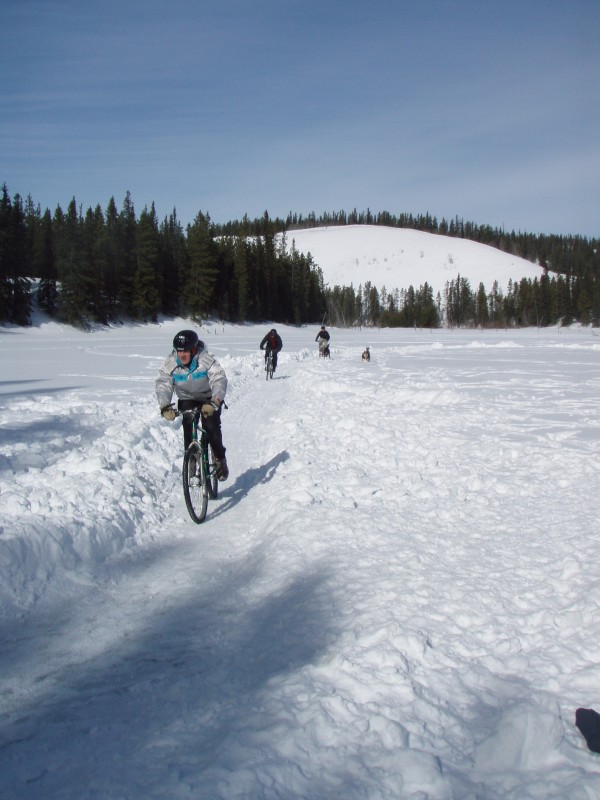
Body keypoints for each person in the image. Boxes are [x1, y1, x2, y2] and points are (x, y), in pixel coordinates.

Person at [155, 329, 229, 481]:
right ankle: (192, 459)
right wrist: (164, 405)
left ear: (194, 349)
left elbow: (219, 379)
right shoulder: (171, 363)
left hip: (209, 398)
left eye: (186, 351)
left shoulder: (205, 360)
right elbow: (163, 384)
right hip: (187, 398)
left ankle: (219, 458)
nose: (182, 355)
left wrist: (215, 400)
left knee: (211, 427)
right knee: (188, 425)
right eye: (179, 351)